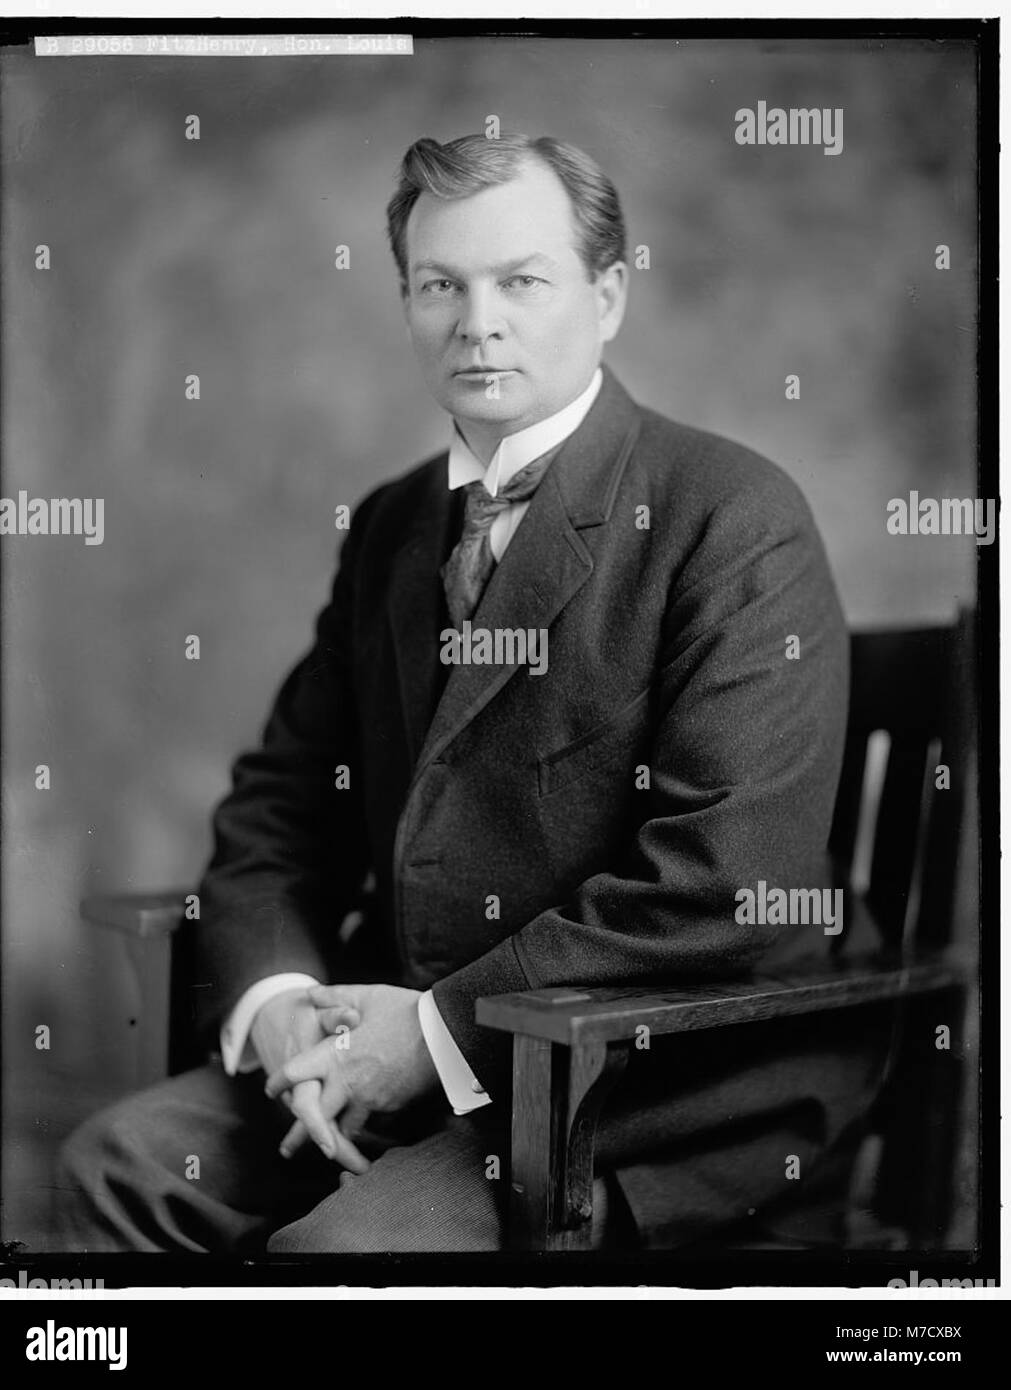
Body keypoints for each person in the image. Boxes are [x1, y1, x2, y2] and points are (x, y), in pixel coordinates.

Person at [57, 132, 888, 1254]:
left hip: (641, 1075)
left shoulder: (731, 516)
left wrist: (434, 1037)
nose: (476, 321)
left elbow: (727, 883)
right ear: (404, 300)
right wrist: (286, 1005)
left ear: (609, 295)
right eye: (440, 284)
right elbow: (280, 809)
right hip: (388, 1029)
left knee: (341, 1260)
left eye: (522, 281)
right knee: (114, 1168)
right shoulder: (394, 526)